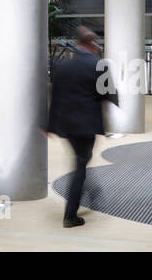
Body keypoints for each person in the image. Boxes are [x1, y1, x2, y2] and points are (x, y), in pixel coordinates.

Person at [44, 25, 119, 228]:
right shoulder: (98, 65)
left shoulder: (63, 66)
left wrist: (48, 124)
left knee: (81, 160)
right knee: (80, 164)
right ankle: (70, 214)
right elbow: (109, 93)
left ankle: (92, 192)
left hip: (66, 125)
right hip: (86, 125)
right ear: (91, 43)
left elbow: (54, 96)